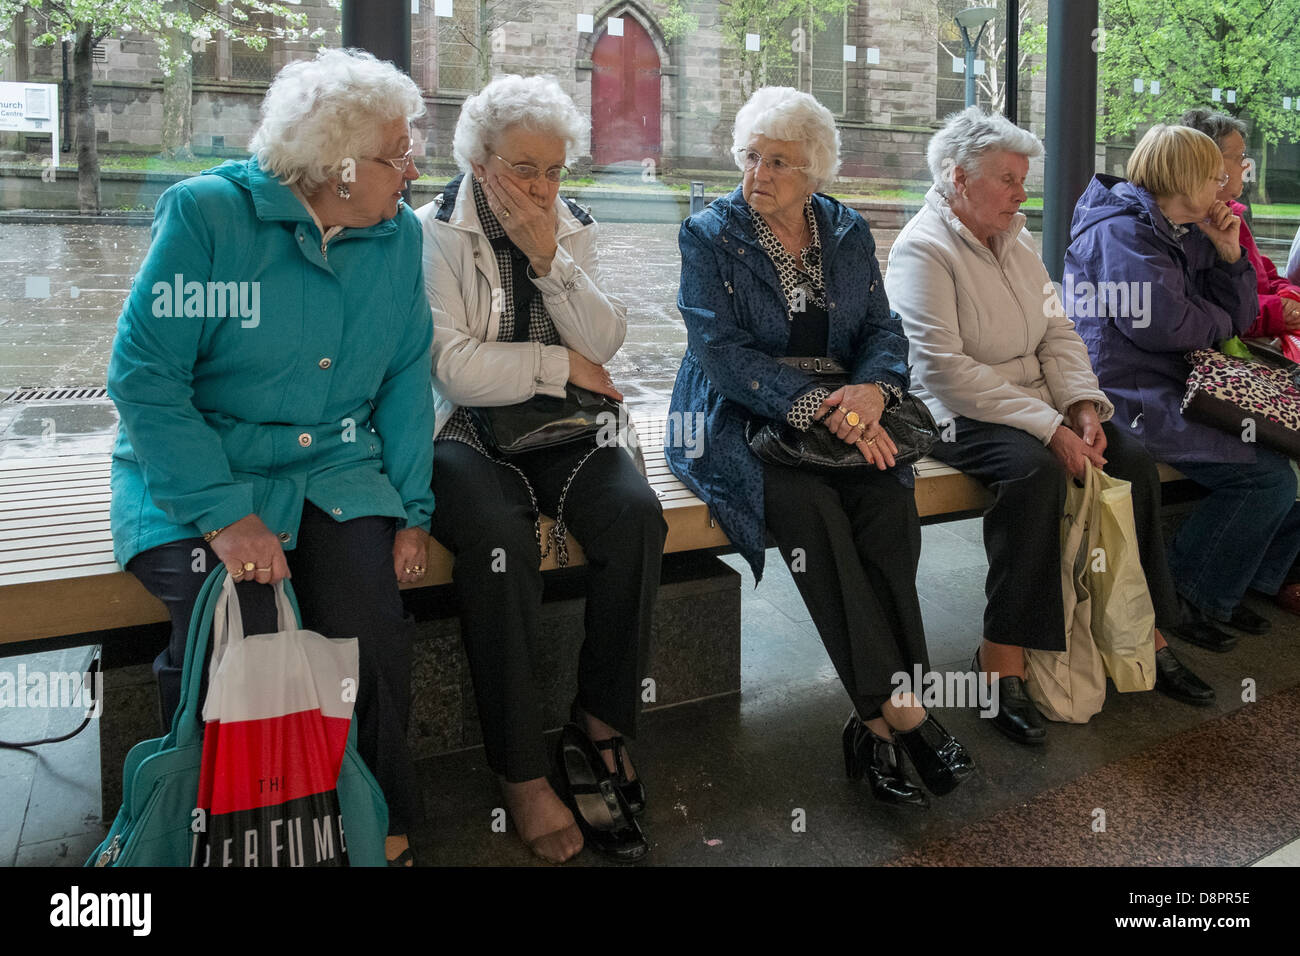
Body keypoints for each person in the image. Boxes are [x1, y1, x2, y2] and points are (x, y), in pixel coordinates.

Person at [108, 49, 435, 866]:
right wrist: (223, 515)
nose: (414, 166)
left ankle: (373, 819)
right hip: (198, 474)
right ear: (343, 167)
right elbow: (146, 379)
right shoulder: (208, 217)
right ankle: (210, 823)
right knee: (230, 628)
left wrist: (412, 511)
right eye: (400, 152)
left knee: (369, 620)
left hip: (332, 472)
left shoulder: (394, 239)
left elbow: (402, 381)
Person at [666, 86, 974, 809]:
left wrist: (870, 395)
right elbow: (718, 349)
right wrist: (812, 408)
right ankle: (897, 714)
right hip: (740, 414)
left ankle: (883, 717)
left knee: (887, 504)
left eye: (778, 162)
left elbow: (882, 330)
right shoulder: (709, 233)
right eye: (750, 156)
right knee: (811, 515)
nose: (756, 175)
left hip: (847, 412)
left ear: (816, 173)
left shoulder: (844, 229)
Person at [886, 108, 1217, 747]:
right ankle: (1000, 659)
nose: (1022, 192)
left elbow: (1059, 332)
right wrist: (1049, 427)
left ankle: (1147, 633)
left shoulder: (1016, 239)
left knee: (1132, 457)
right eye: (1008, 179)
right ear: (959, 178)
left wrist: (1083, 407)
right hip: (953, 411)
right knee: (1033, 474)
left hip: (1035, 399)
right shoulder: (922, 249)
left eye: (1023, 179)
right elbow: (943, 369)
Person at [418, 74, 666, 863]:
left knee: (636, 515)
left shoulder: (571, 226)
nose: (542, 186)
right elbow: (454, 370)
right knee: (498, 545)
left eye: (556, 169)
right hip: (462, 432)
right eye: (525, 169)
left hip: (561, 425)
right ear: (480, 161)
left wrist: (549, 258)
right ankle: (521, 769)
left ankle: (599, 721)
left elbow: (609, 341)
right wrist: (560, 362)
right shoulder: (430, 232)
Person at [1065, 124, 1300, 632]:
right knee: (1266, 478)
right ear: (1183, 179)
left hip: (1179, 384)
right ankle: (1186, 592)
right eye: (1215, 177)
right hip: (1129, 396)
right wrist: (1211, 318)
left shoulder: (1186, 229)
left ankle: (1231, 586)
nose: (1224, 188)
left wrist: (1230, 254)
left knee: (1284, 461)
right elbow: (1164, 325)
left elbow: (1228, 316)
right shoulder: (1120, 231)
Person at [1181, 110, 1300, 349]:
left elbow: (1263, 272)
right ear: (1208, 161)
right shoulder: (1196, 226)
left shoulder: (1228, 213)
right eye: (1239, 157)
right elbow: (1220, 312)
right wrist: (1279, 310)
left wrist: (1288, 295)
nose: (1245, 165)